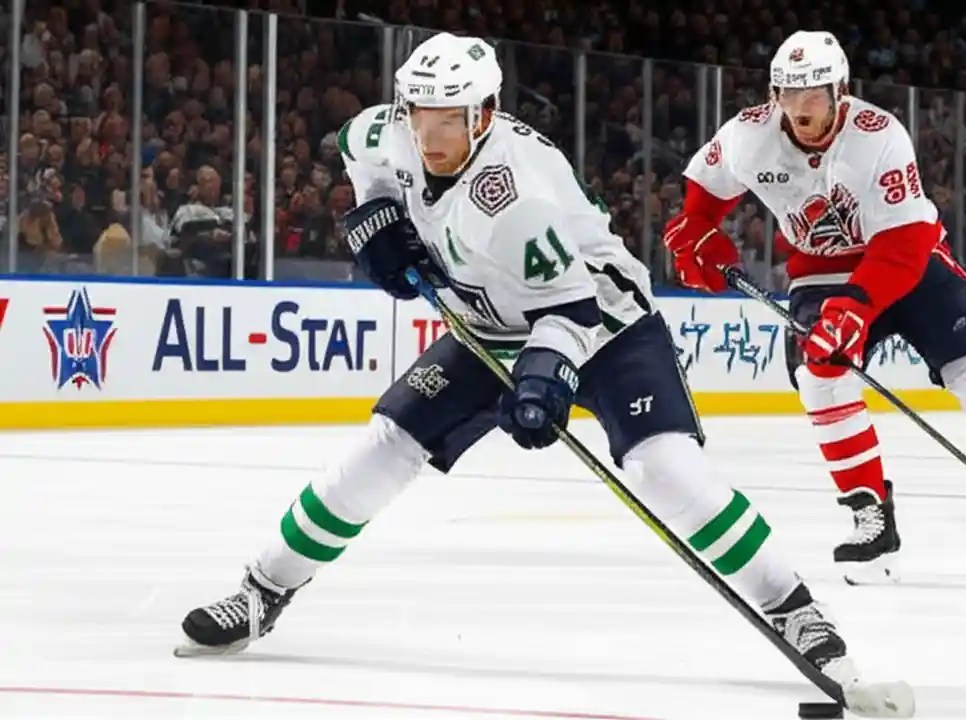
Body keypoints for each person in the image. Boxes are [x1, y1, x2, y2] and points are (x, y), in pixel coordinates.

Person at [176, 33, 910, 715]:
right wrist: (373, 217)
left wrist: (543, 378)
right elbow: (357, 152)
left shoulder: (519, 194)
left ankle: (792, 605)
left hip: (605, 322)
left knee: (667, 472)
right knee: (385, 442)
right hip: (491, 321)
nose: (429, 140)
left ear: (485, 113)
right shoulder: (387, 130)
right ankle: (261, 591)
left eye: (448, 122)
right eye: (419, 117)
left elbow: (570, 304)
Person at [663, 30, 966, 583]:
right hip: (822, 273)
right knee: (819, 376)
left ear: (840, 91)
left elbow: (899, 243)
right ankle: (870, 512)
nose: (801, 111)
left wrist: (855, 309)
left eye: (814, 96)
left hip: (909, 261)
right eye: (788, 95)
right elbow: (701, 195)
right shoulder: (749, 134)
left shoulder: (878, 136)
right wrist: (695, 234)